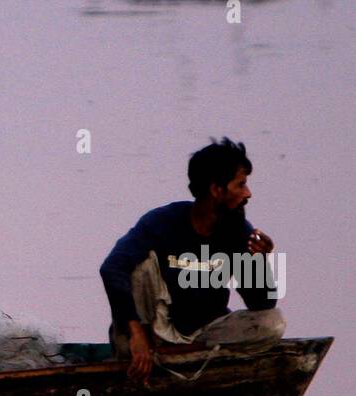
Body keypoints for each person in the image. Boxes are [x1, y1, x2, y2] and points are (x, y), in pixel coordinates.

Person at [99, 138, 285, 381]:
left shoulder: (238, 230)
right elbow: (111, 269)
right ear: (216, 189)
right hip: (150, 332)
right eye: (240, 185)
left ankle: (184, 356)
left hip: (204, 334)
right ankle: (142, 346)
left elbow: (261, 304)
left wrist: (258, 262)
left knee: (273, 323)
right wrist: (137, 333)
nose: (247, 193)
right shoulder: (161, 223)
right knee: (138, 264)